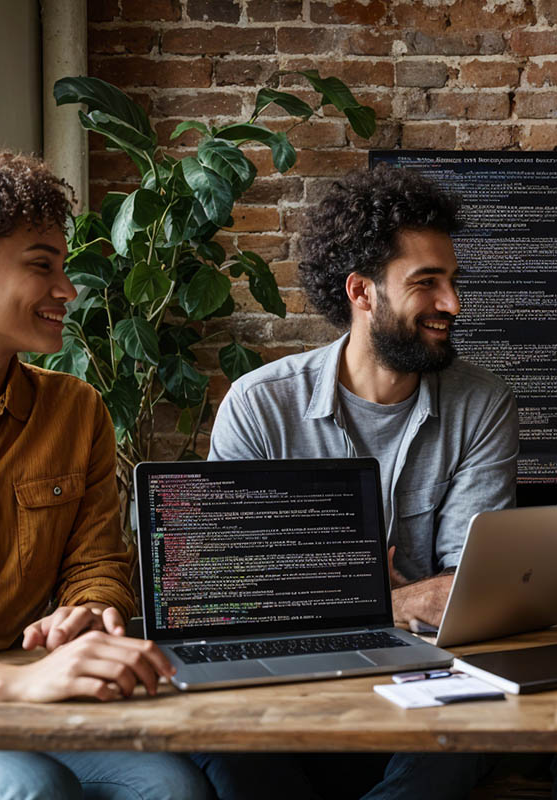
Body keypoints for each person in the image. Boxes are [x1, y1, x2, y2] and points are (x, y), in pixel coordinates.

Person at [201, 164, 515, 799]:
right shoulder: (260, 406)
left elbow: (468, 588)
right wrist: (386, 603)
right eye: (426, 283)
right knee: (222, 742)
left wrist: (319, 591)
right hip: (287, 671)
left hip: (428, 677)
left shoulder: (482, 404)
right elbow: (228, 590)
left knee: (470, 735)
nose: (452, 305)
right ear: (361, 291)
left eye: (453, 282)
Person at [0, 145, 211, 799]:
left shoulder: (76, 409)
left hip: (26, 699)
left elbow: (97, 563)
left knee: (172, 787)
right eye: (41, 266)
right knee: (29, 787)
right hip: (3, 695)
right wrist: (19, 682)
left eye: (64, 267)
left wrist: (89, 611)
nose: (68, 290)